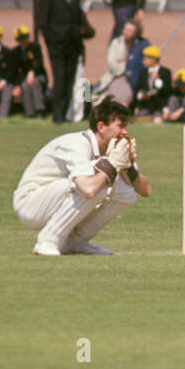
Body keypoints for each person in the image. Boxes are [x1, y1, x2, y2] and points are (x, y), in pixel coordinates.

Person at [12, 95, 151, 257]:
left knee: (126, 193)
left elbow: (145, 191)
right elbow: (88, 189)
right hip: (31, 203)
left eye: (126, 126)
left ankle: (76, 242)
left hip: (60, 195)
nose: (125, 132)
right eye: (120, 126)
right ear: (101, 126)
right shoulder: (76, 144)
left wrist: (128, 167)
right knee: (97, 182)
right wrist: (111, 165)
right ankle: (48, 240)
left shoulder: (114, 149)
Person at [36, 0, 85, 125]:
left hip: (73, 46)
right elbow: (42, 22)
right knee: (59, 78)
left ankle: (64, 114)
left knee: (70, 80)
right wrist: (51, 41)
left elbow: (78, 19)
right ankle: (57, 115)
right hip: (57, 46)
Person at [94, 16, 140, 106]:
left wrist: (128, 64)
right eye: (125, 29)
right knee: (118, 93)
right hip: (117, 76)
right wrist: (125, 67)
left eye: (130, 30)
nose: (126, 32)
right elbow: (112, 63)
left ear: (135, 33)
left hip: (135, 78)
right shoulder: (116, 43)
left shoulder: (139, 45)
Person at [10, 26, 48, 118]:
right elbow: (16, 70)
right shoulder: (16, 51)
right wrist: (17, 84)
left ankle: (39, 110)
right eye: (21, 39)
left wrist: (32, 72)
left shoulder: (35, 47)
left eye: (25, 38)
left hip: (39, 75)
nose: (23, 41)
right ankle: (29, 113)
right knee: (25, 86)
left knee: (35, 83)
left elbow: (39, 63)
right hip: (24, 77)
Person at [134, 46, 173, 121]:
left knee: (157, 119)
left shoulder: (165, 72)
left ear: (153, 59)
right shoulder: (143, 73)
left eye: (145, 59)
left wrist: (158, 80)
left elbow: (167, 91)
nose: (143, 61)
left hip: (159, 107)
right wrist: (142, 95)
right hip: (145, 106)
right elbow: (137, 90)